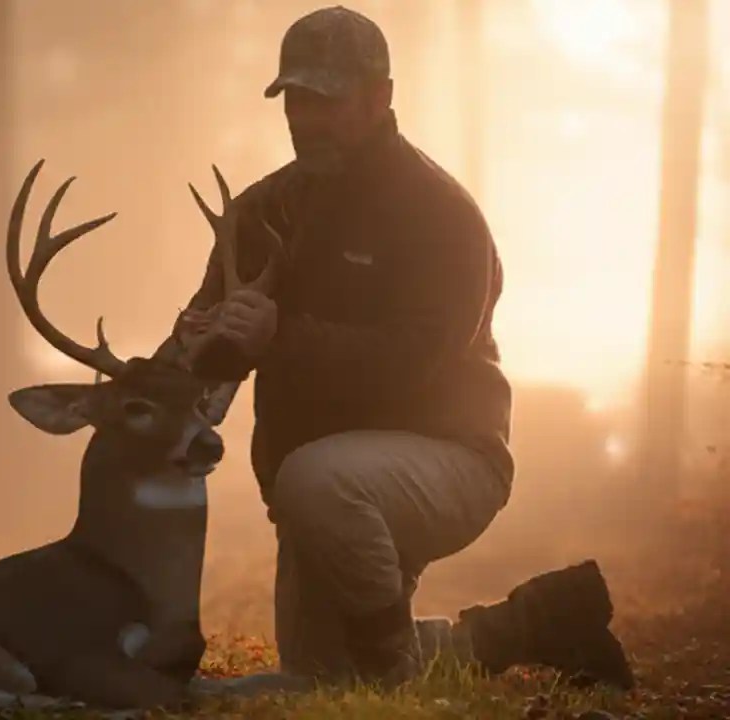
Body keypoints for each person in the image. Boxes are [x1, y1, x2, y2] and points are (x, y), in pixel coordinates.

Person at [155, 5, 632, 690]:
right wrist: (198, 347)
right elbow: (218, 356)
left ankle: (397, 677)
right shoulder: (260, 212)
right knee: (322, 678)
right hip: (318, 488)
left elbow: (412, 364)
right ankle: (535, 623)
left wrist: (277, 335)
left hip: (445, 458)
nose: (305, 117)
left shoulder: (440, 215)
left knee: (319, 483)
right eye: (295, 97)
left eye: (327, 98)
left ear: (381, 97)